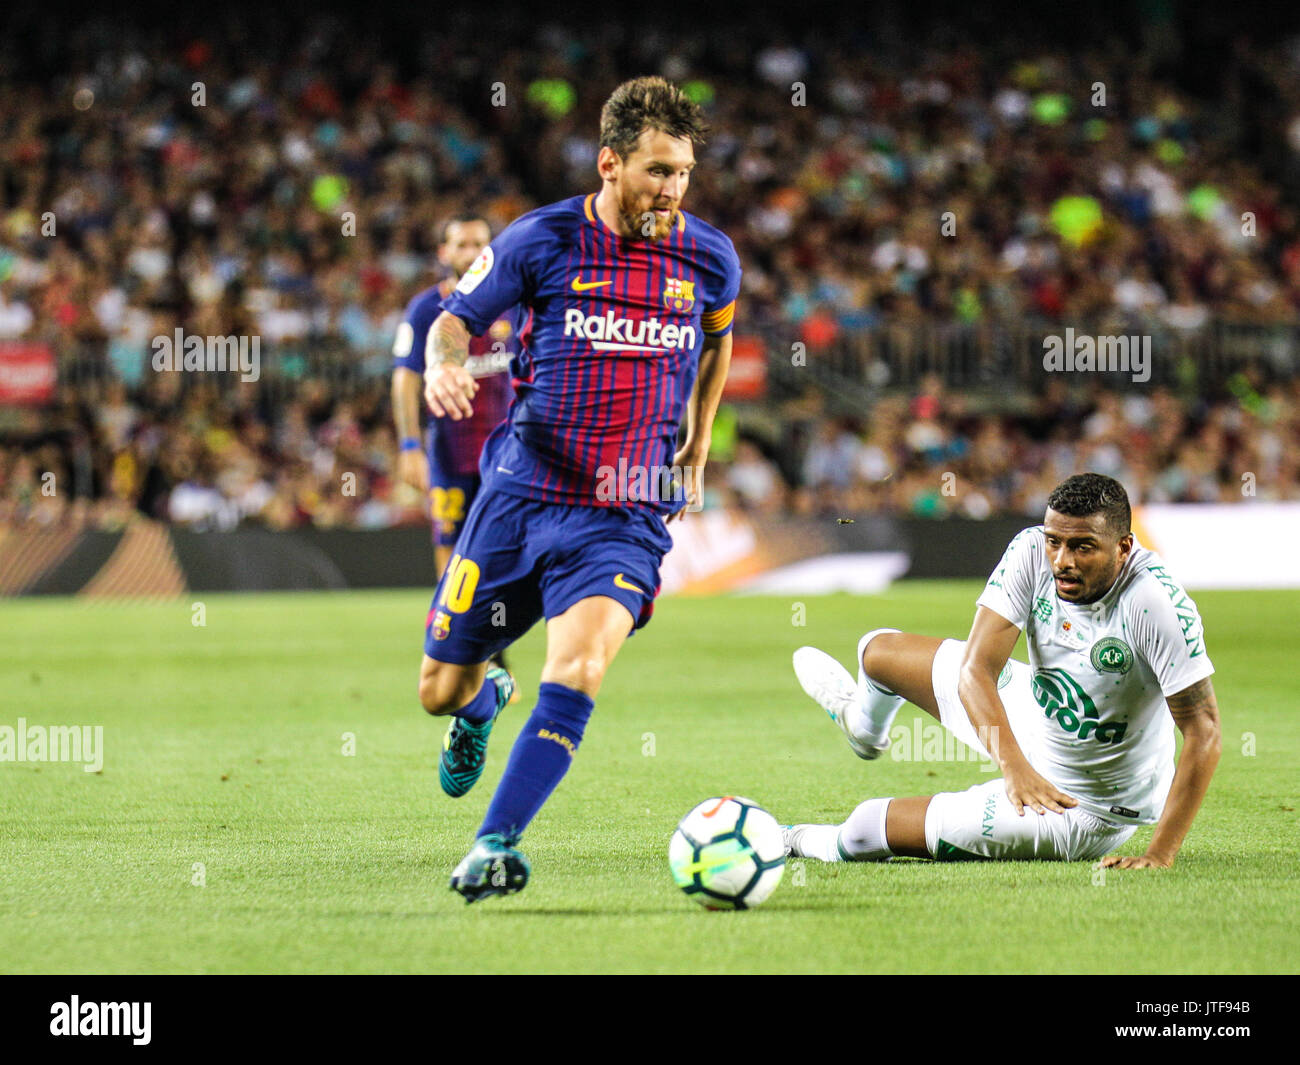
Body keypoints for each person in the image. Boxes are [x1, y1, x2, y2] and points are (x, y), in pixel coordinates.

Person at [418, 76, 742, 902]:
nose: (673, 190)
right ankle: (484, 699)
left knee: (582, 664)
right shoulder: (541, 241)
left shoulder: (707, 256)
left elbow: (717, 345)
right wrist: (443, 364)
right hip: (519, 496)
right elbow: (456, 319)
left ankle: (496, 840)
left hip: (625, 511)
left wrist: (700, 439)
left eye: (684, 173)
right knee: (438, 690)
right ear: (609, 163)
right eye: (658, 171)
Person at [785, 473, 1221, 869]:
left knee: (865, 828)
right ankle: (863, 730)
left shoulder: (1155, 603)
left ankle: (788, 839)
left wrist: (1159, 855)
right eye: (1056, 541)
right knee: (878, 652)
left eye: (1082, 547)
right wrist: (1014, 765)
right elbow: (976, 670)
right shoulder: (1031, 549)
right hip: (1037, 712)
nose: (1062, 561)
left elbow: (1204, 732)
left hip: (1086, 804)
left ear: (1124, 547)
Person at [391, 215, 518, 581]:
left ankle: (494, 632)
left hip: (508, 450)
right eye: (462, 245)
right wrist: (411, 446)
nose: (472, 253)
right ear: (444, 252)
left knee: (505, 545)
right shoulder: (425, 308)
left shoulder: (514, 303)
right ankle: (450, 628)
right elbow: (405, 379)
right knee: (450, 543)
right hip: (450, 451)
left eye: (480, 243)